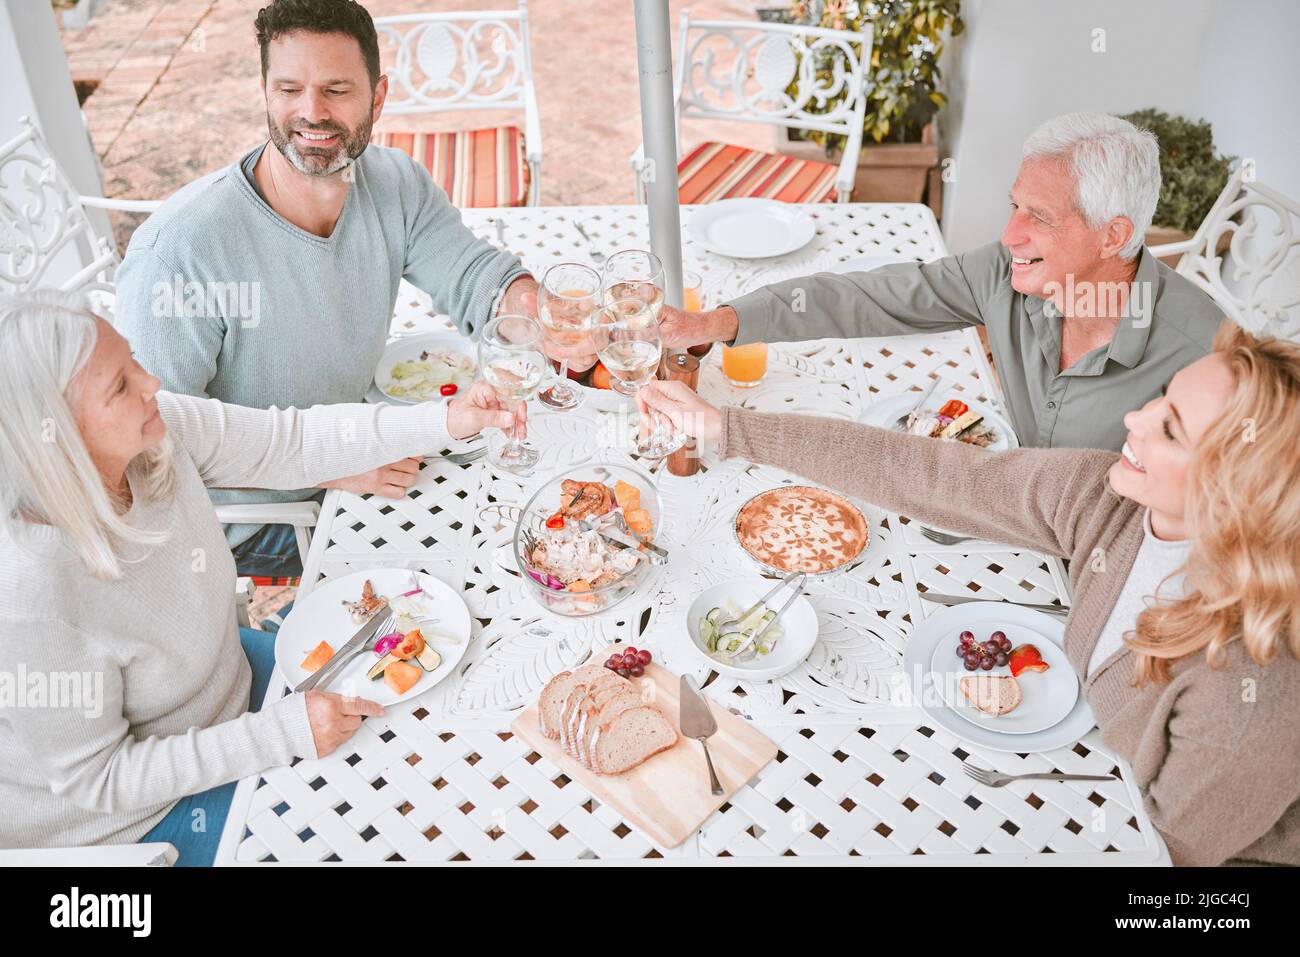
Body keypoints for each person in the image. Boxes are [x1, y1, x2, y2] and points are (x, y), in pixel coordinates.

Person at [637, 322, 1300, 867]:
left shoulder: (1249, 689)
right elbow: (931, 471)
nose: (1135, 417)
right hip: (1084, 769)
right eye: (1160, 399)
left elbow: (1169, 860)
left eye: (1172, 429)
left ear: (1238, 492)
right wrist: (725, 427)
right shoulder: (1115, 499)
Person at [0, 289, 525, 865]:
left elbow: (288, 441)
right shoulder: (31, 597)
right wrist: (281, 735)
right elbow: (101, 781)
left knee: (435, 723)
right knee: (376, 831)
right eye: (121, 386)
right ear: (56, 438)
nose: (150, 382)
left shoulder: (154, 431)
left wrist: (446, 420)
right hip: (144, 821)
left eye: (132, 361)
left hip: (230, 684)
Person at [112, 0, 581, 579]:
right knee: (465, 574)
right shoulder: (180, 253)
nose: (312, 112)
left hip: (367, 440)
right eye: (289, 89)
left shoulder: (395, 181)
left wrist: (532, 305)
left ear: (377, 99)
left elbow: (473, 274)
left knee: (542, 521)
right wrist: (327, 465)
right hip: (261, 515)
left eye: (336, 89)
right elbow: (147, 453)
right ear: (265, 92)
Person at [660, 112, 1226, 452]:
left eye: (1040, 218)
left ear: (1113, 235)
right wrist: (717, 322)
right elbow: (867, 297)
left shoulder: (1209, 360)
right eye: (1014, 207)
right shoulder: (1008, 275)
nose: (1009, 234)